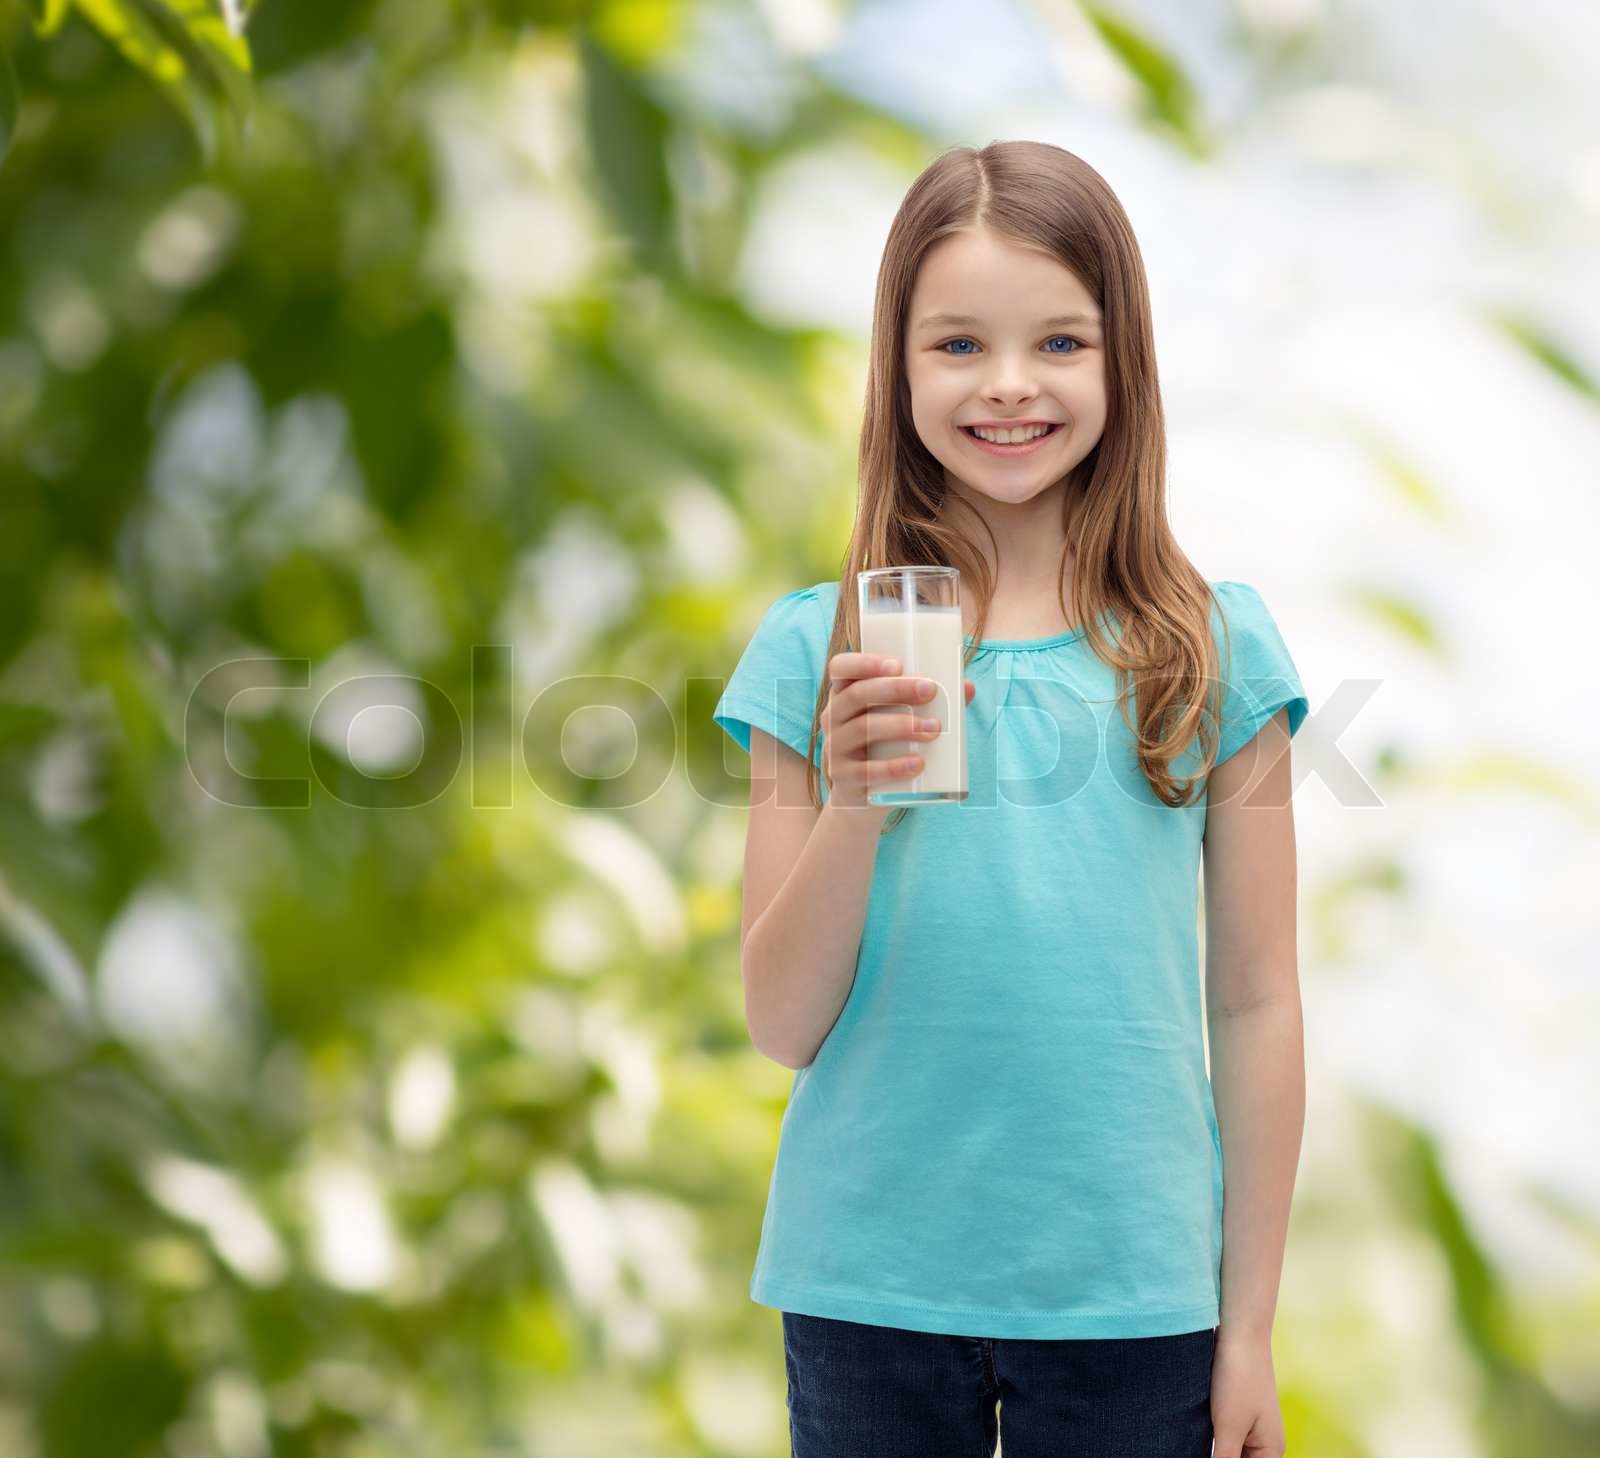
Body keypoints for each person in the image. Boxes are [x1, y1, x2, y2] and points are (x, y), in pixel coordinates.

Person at [711, 140, 1306, 1458]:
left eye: (1060, 342)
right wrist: (857, 803)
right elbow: (779, 1018)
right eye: (959, 344)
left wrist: (1249, 1324)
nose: (1010, 386)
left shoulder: (1213, 652)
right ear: (899, 367)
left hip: (1136, 1296)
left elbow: (1257, 997)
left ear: (1124, 365)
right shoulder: (820, 649)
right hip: (866, 1279)